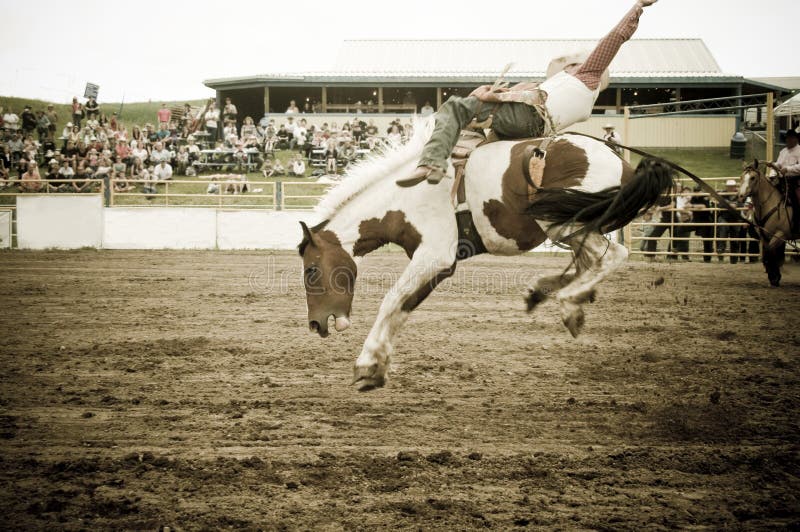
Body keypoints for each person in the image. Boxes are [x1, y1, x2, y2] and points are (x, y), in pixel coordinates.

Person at [401, 0, 658, 185]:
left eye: (571, 65)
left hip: (525, 118)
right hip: (532, 132)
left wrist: (637, 7)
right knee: (479, 145)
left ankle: (432, 162)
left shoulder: (585, 75)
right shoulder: (577, 96)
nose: (567, 68)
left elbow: (612, 40)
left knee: (456, 107)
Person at [768, 127, 800, 232]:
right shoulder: (783, 151)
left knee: (795, 200)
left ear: (796, 139)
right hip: (783, 180)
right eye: (787, 139)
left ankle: (796, 223)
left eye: (790, 138)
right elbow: (779, 164)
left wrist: (788, 169)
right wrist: (773, 165)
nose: (788, 140)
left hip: (796, 180)